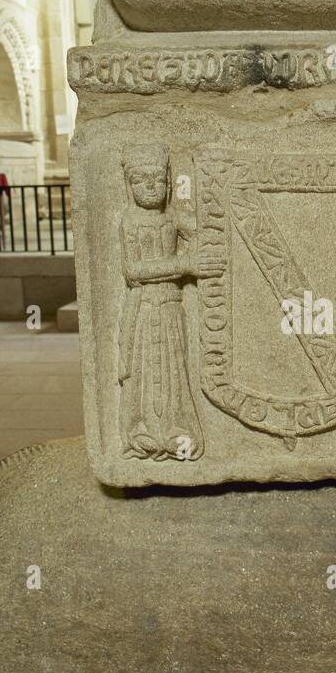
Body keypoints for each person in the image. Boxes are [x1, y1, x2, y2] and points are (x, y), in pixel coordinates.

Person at [117, 143, 221, 462]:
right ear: (129, 185)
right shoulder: (130, 222)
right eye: (141, 180)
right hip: (143, 309)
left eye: (159, 179)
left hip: (172, 309)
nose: (151, 187)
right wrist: (184, 264)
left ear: (169, 183)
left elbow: (207, 232)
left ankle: (177, 434)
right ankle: (141, 434)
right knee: (143, 372)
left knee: (174, 370)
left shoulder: (173, 217)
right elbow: (133, 270)